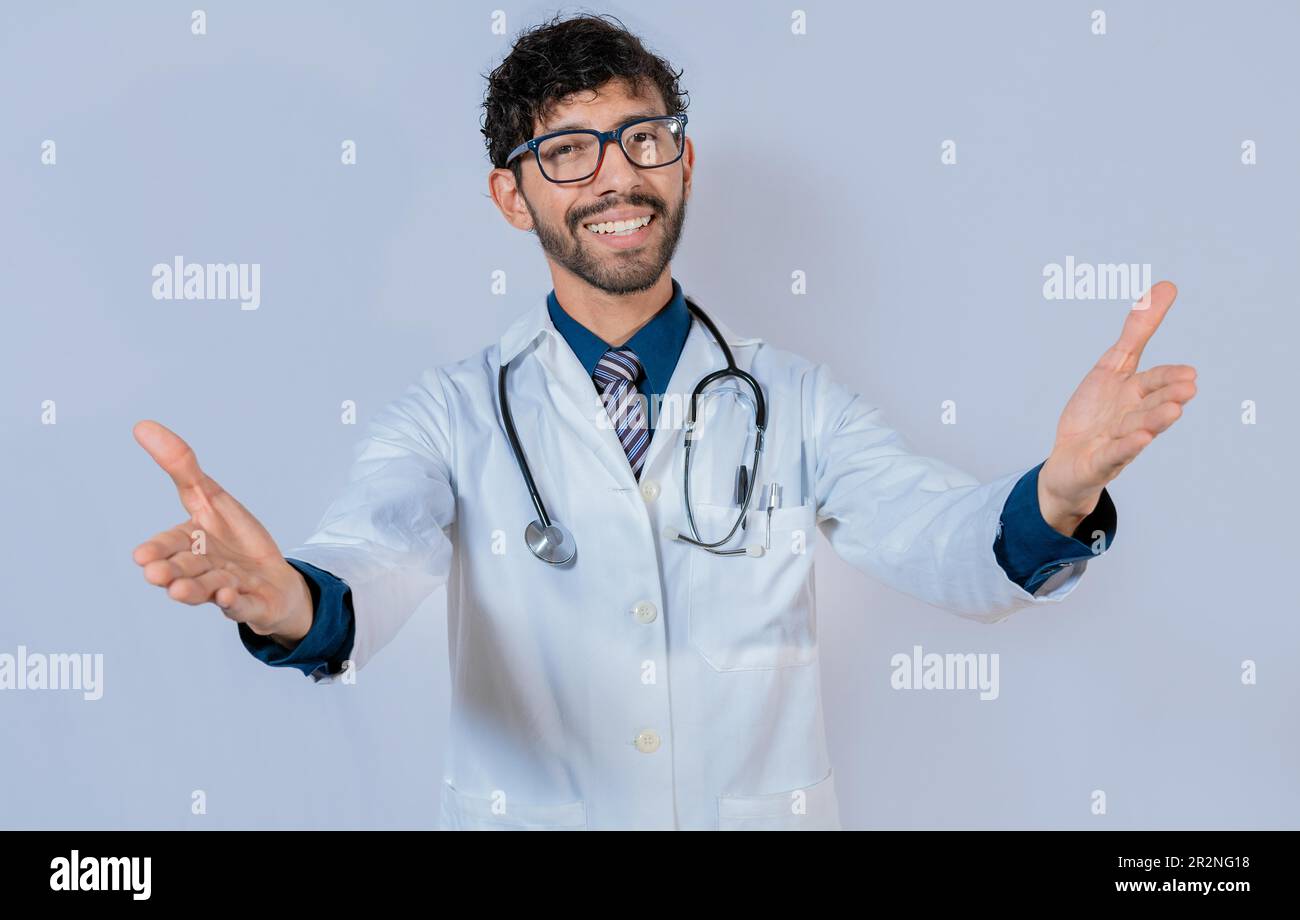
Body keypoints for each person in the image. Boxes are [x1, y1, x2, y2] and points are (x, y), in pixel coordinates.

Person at [131, 13, 1196, 830]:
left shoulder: (796, 398)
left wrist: (1058, 494)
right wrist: (287, 600)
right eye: (568, 153)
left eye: (642, 138)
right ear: (514, 197)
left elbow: (943, 541)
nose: (615, 177)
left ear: (683, 161)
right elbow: (371, 552)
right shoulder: (452, 411)